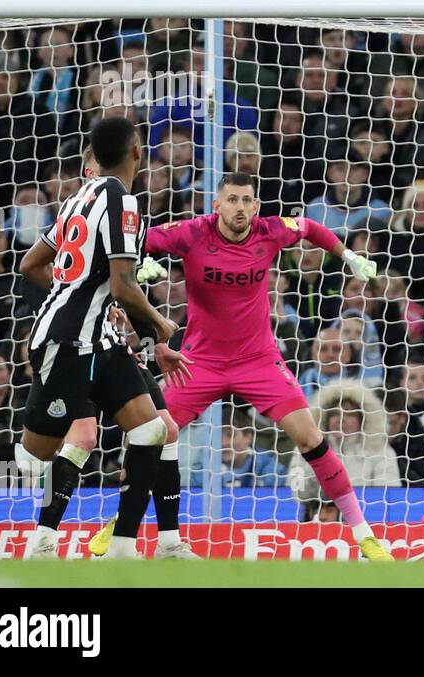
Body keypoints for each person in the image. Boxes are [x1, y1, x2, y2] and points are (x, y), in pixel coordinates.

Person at [85, 172, 392, 562]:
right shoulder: (193, 232)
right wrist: (143, 261)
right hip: (200, 360)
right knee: (152, 433)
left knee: (310, 436)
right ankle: (120, 523)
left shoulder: (270, 231)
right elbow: (138, 236)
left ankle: (364, 535)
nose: (240, 208)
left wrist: (346, 255)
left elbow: (311, 226)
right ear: (217, 205)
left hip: (258, 359)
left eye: (247, 200)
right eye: (232, 200)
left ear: (256, 206)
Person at [14, 117, 185, 559]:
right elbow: (126, 287)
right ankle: (41, 539)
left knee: (151, 430)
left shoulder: (77, 198)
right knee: (34, 455)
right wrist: (160, 326)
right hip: (67, 342)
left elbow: (31, 264)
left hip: (99, 340)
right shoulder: (123, 202)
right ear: (136, 153)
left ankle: (125, 546)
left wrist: (80, 291)